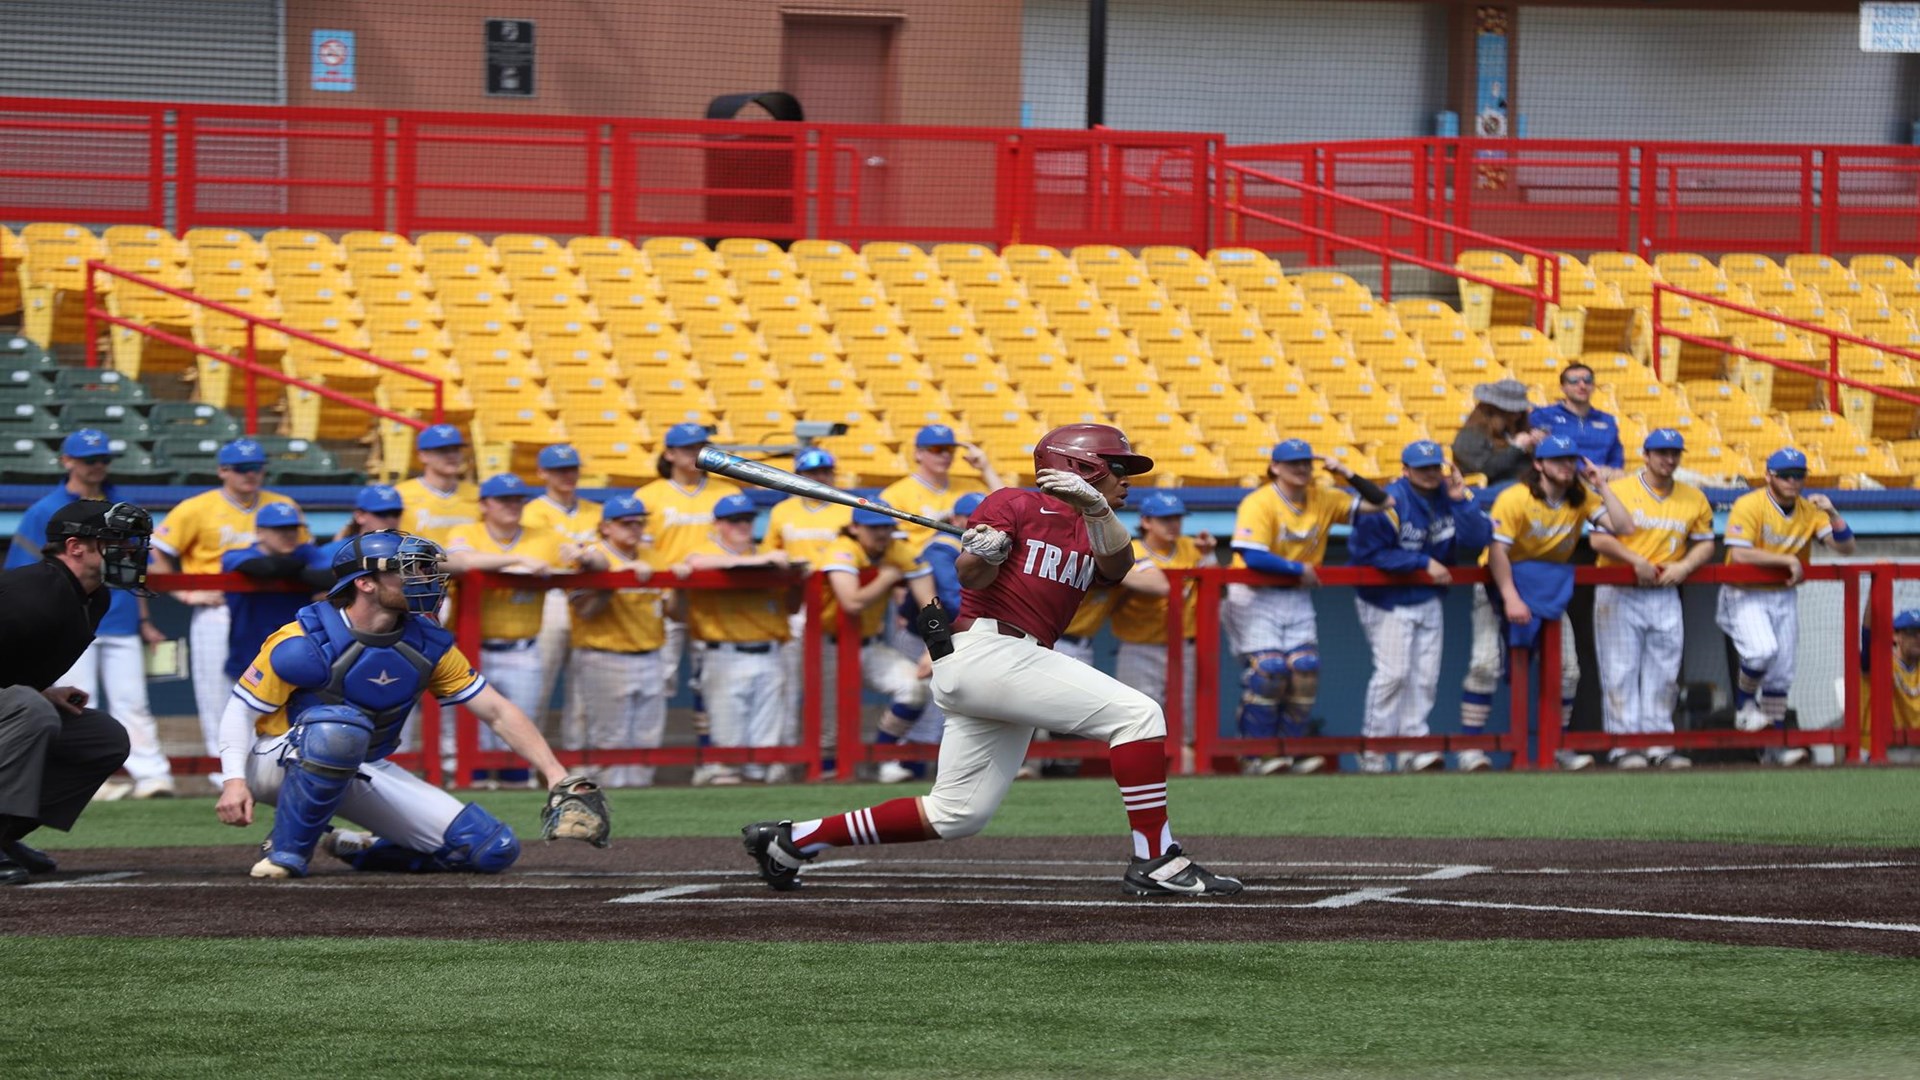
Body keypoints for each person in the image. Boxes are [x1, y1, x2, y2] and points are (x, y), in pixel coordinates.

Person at [744, 423, 1245, 898]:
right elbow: (972, 578)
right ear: (1083, 466)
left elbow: (1118, 566)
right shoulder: (1013, 502)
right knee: (1139, 715)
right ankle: (1157, 860)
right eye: (1117, 468)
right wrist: (983, 551)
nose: (1126, 481)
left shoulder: (1098, 527)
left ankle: (791, 841)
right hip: (988, 649)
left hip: (1009, 665)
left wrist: (1095, 509)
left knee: (957, 815)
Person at [214, 530, 585, 879]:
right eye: (409, 570)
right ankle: (286, 853)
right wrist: (233, 783)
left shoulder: (426, 643)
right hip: (275, 761)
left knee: (490, 848)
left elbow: (497, 711)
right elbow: (240, 711)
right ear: (365, 582)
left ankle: (358, 847)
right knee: (338, 730)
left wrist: (556, 775)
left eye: (424, 569)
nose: (424, 578)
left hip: (359, 763)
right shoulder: (303, 640)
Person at [6, 429, 171, 800]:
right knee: (53, 704)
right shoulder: (43, 515)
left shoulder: (122, 508)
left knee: (121, 708)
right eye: (88, 459)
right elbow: (23, 577)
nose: (97, 466)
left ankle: (151, 775)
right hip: (49, 627)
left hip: (116, 620)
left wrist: (144, 619)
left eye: (103, 459)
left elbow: (136, 573)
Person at [0, 501, 152, 884]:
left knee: (102, 737)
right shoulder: (30, 595)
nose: (128, 551)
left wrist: (43, 691)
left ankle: (4, 834)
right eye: (113, 542)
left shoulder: (91, 596)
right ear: (74, 546)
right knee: (30, 710)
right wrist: (30, 698)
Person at [1469, 435, 1634, 772]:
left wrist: (1602, 485)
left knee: (1568, 671)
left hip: (1547, 590)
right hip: (1497, 584)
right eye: (1557, 460)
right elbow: (1498, 551)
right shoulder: (1515, 497)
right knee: (1484, 664)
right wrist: (1511, 596)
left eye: (1570, 459)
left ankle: (1557, 745)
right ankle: (1472, 749)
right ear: (1538, 464)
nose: (1566, 466)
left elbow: (1625, 526)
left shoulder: (1580, 497)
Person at [1225, 439, 1390, 774]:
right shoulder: (1260, 501)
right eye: (1292, 463)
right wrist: (1297, 568)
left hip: (1295, 595)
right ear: (1275, 467)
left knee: (1305, 669)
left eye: (1305, 463)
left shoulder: (1324, 497)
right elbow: (1251, 553)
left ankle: (1290, 750)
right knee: (1269, 671)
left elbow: (1384, 502)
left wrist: (1347, 473)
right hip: (1254, 593)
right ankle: (1257, 754)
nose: (1301, 469)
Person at [150, 437, 298, 787]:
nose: (251, 475)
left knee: (282, 685)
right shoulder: (196, 508)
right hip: (219, 610)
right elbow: (154, 552)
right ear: (223, 471)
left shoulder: (283, 505)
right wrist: (186, 592)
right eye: (242, 468)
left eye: (257, 467)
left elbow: (301, 551)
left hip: (271, 610)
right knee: (218, 691)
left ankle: (275, 763)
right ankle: (226, 772)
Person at [1349, 440, 1492, 773]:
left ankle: (1414, 746)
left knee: (1425, 678)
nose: (1430, 473)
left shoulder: (1449, 497)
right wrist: (1421, 562)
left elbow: (1480, 536)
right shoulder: (1388, 501)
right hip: (1386, 600)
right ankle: (1374, 747)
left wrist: (1461, 498)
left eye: (1435, 467)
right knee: (1394, 674)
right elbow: (1368, 555)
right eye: (1421, 467)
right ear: (1405, 470)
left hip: (1427, 599)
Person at [445, 473, 592, 784]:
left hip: (522, 648)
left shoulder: (544, 537)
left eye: (517, 500)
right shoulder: (467, 530)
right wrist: (515, 560)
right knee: (472, 736)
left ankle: (517, 791)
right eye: (503, 500)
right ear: (485, 504)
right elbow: (456, 560)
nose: (512, 506)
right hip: (471, 649)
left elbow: (580, 557)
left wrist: (585, 554)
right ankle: (475, 792)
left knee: (519, 730)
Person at [1588, 429, 1717, 769]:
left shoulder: (1693, 497)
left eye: (1674, 453)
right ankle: (1625, 746)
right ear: (1645, 455)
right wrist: (1634, 561)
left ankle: (1659, 744)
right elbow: (1598, 541)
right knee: (1620, 671)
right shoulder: (1621, 489)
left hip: (1664, 591)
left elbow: (1706, 541)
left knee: (1664, 673)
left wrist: (1686, 565)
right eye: (1661, 452)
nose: (1668, 459)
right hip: (1619, 590)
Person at [1719, 447, 1856, 766]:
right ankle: (1743, 708)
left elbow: (1846, 548)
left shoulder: (1809, 510)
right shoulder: (1749, 504)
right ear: (1769, 476)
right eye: (1785, 475)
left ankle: (1774, 747)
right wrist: (1786, 560)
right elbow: (1739, 553)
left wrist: (1833, 514)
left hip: (1782, 595)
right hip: (1745, 592)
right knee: (1761, 651)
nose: (1793, 482)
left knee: (1781, 675)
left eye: (1799, 475)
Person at [635, 422, 743, 754]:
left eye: (701, 446)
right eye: (688, 448)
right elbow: (639, 548)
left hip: (713, 600)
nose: (696, 453)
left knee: (711, 679)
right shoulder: (649, 496)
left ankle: (712, 757)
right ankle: (643, 759)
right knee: (658, 680)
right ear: (669, 454)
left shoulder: (727, 493)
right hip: (664, 599)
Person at [679, 493, 798, 785]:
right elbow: (693, 563)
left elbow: (793, 605)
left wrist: (788, 572)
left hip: (769, 652)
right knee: (727, 753)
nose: (742, 526)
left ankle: (763, 818)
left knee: (764, 753)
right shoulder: (703, 550)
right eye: (734, 521)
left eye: (747, 519)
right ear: (718, 524)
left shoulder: (767, 551)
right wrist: (761, 561)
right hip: (724, 654)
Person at [817, 502, 937, 785]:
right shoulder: (842, 548)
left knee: (914, 688)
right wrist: (886, 578)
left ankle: (883, 758)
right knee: (831, 727)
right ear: (855, 527)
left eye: (886, 526)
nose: (881, 533)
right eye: (873, 527)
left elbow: (930, 602)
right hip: (828, 645)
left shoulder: (898, 550)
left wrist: (934, 646)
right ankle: (826, 781)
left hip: (868, 643)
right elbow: (851, 603)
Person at [567, 496, 672, 788]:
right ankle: (612, 808)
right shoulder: (592, 557)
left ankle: (641, 813)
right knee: (609, 742)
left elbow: (672, 607)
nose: (635, 528)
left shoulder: (653, 555)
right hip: (605, 655)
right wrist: (612, 583)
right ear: (606, 527)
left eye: (639, 522)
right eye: (627, 523)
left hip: (650, 653)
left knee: (647, 740)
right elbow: (584, 611)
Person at [1110, 493, 1211, 767]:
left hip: (1184, 648)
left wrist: (1209, 555)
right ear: (1146, 521)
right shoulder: (1131, 549)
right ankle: (1139, 782)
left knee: (1186, 723)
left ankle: (1184, 779)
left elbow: (1215, 587)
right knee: (1138, 722)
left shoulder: (1191, 548)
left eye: (1177, 518)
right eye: (1165, 519)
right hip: (1139, 648)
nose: (1173, 525)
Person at [766, 448, 853, 753]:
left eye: (825, 471)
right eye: (811, 472)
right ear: (799, 475)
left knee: (828, 688)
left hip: (833, 607)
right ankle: (785, 754)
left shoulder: (846, 509)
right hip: (795, 606)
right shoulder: (782, 511)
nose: (819, 477)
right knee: (788, 686)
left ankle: (828, 753)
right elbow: (770, 553)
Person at [523, 443, 602, 736]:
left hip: (591, 599)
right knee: (539, 688)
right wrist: (586, 553)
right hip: (551, 599)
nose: (567, 476)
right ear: (543, 473)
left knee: (585, 692)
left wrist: (584, 554)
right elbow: (547, 555)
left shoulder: (596, 511)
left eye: (571, 469)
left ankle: (578, 765)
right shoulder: (532, 512)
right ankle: (527, 767)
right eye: (559, 470)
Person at [220, 503, 332, 697]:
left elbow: (332, 576)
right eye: (280, 529)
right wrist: (302, 571)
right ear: (260, 532)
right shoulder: (237, 554)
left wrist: (296, 571)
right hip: (250, 655)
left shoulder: (306, 552)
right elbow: (265, 569)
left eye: (293, 529)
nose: (289, 535)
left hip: (298, 654)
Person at [879, 424, 1004, 551]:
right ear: (918, 454)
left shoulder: (971, 486)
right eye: (937, 449)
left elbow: (1008, 507)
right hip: (923, 562)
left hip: (970, 558)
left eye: (950, 449)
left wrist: (986, 469)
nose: (945, 455)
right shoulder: (895, 495)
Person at [1529, 362, 1625, 479]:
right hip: (1563, 479)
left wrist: (1610, 471)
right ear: (1562, 388)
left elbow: (1616, 458)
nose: (1582, 386)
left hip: (1600, 481)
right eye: (1574, 381)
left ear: (1594, 386)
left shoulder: (1607, 420)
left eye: (1587, 380)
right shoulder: (1543, 415)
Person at [394, 424, 479, 547]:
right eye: (442, 450)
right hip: (418, 564)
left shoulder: (478, 494)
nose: (451, 455)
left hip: (472, 564)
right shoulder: (401, 494)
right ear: (423, 455)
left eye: (456, 449)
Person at [1451, 379, 1545, 486]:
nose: (1517, 416)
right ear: (1493, 410)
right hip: (1488, 490)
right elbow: (1486, 470)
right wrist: (1516, 448)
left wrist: (1539, 447)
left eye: (1520, 411)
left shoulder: (1514, 430)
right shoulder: (1469, 436)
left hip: (1522, 487)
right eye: (1512, 412)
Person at [1859, 609, 1920, 762]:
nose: (1918, 637)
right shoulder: (1882, 663)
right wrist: (1873, 589)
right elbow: (1867, 636)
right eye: (1912, 632)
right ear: (1896, 636)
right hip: (1886, 750)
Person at [320, 483, 406, 562]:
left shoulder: (409, 549)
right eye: (382, 513)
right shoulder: (334, 551)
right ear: (359, 516)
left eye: (396, 513)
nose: (391, 519)